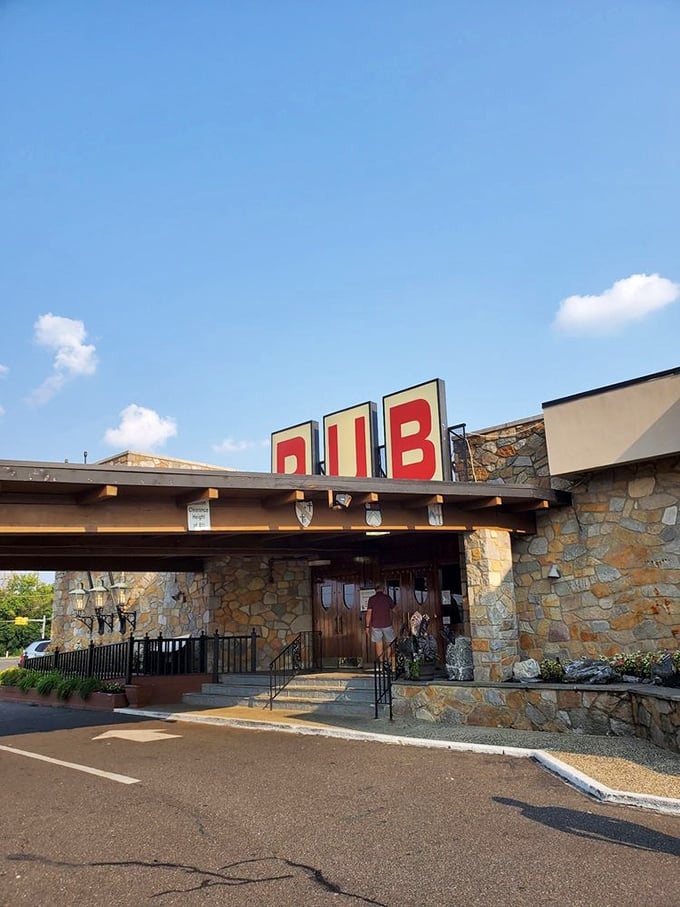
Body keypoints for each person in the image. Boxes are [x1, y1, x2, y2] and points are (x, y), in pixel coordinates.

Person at [365, 583, 397, 661]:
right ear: (383, 589)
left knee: (378, 644)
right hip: (387, 624)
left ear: (375, 590)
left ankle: (381, 662)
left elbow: (369, 613)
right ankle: (389, 660)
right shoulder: (387, 598)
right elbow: (394, 610)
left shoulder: (371, 599)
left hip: (376, 625)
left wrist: (367, 626)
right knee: (389, 643)